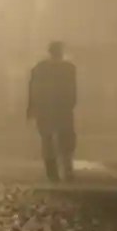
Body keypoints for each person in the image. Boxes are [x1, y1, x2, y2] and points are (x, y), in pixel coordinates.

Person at [27, 41, 77, 182]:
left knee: (47, 140)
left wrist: (32, 108)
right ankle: (67, 171)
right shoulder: (69, 68)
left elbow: (33, 89)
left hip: (45, 109)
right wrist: (71, 104)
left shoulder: (39, 68)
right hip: (63, 109)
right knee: (66, 141)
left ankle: (52, 172)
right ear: (61, 52)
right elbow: (72, 90)